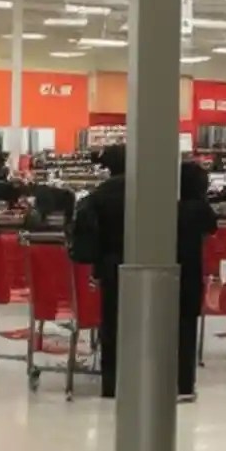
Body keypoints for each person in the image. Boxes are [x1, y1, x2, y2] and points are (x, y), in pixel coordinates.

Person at [86, 145, 127, 399]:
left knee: (110, 323)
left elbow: (89, 235)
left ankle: (110, 382)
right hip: (144, 264)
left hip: (110, 265)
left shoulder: (99, 195)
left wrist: (95, 266)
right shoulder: (145, 190)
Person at [176, 161, 218, 400]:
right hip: (191, 273)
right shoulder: (201, 209)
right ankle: (184, 384)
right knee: (187, 329)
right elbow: (212, 228)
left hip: (166, 271)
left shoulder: (170, 206)